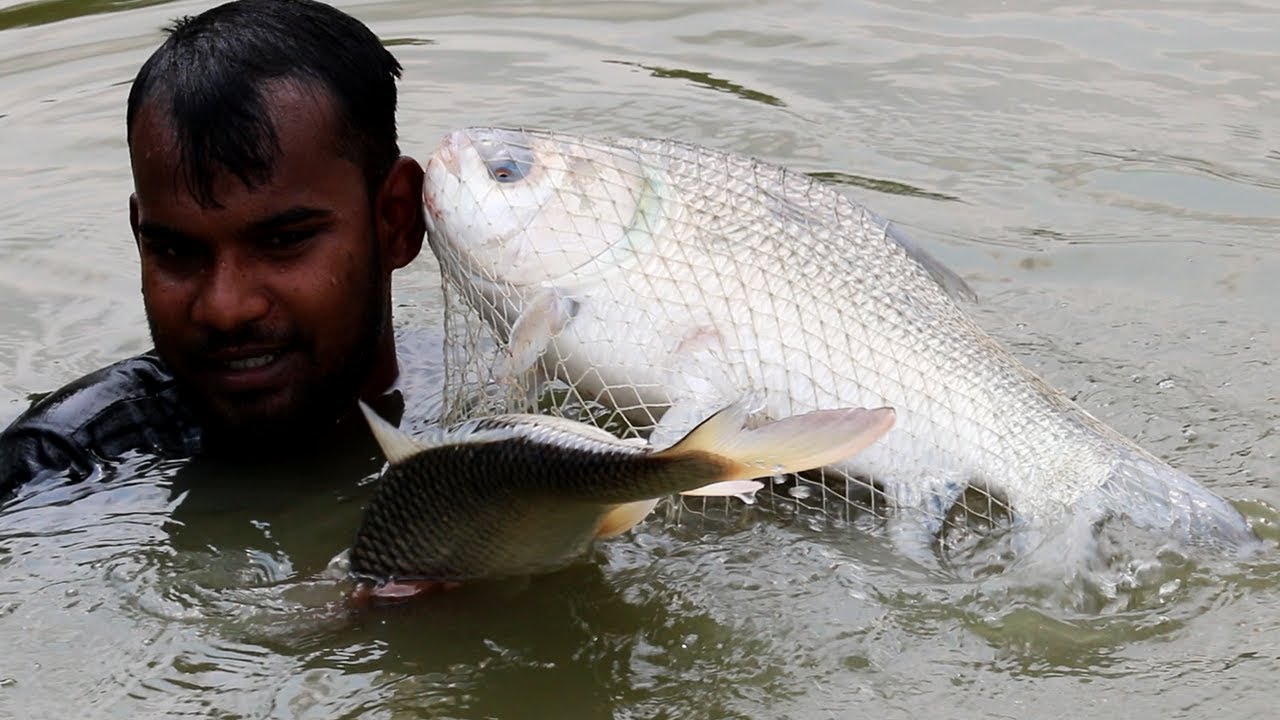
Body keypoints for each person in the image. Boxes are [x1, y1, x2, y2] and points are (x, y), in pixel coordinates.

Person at [0, 0, 427, 500]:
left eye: (283, 242)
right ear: (141, 239)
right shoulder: (58, 467)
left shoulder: (505, 387)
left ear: (395, 223)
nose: (225, 309)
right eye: (178, 252)